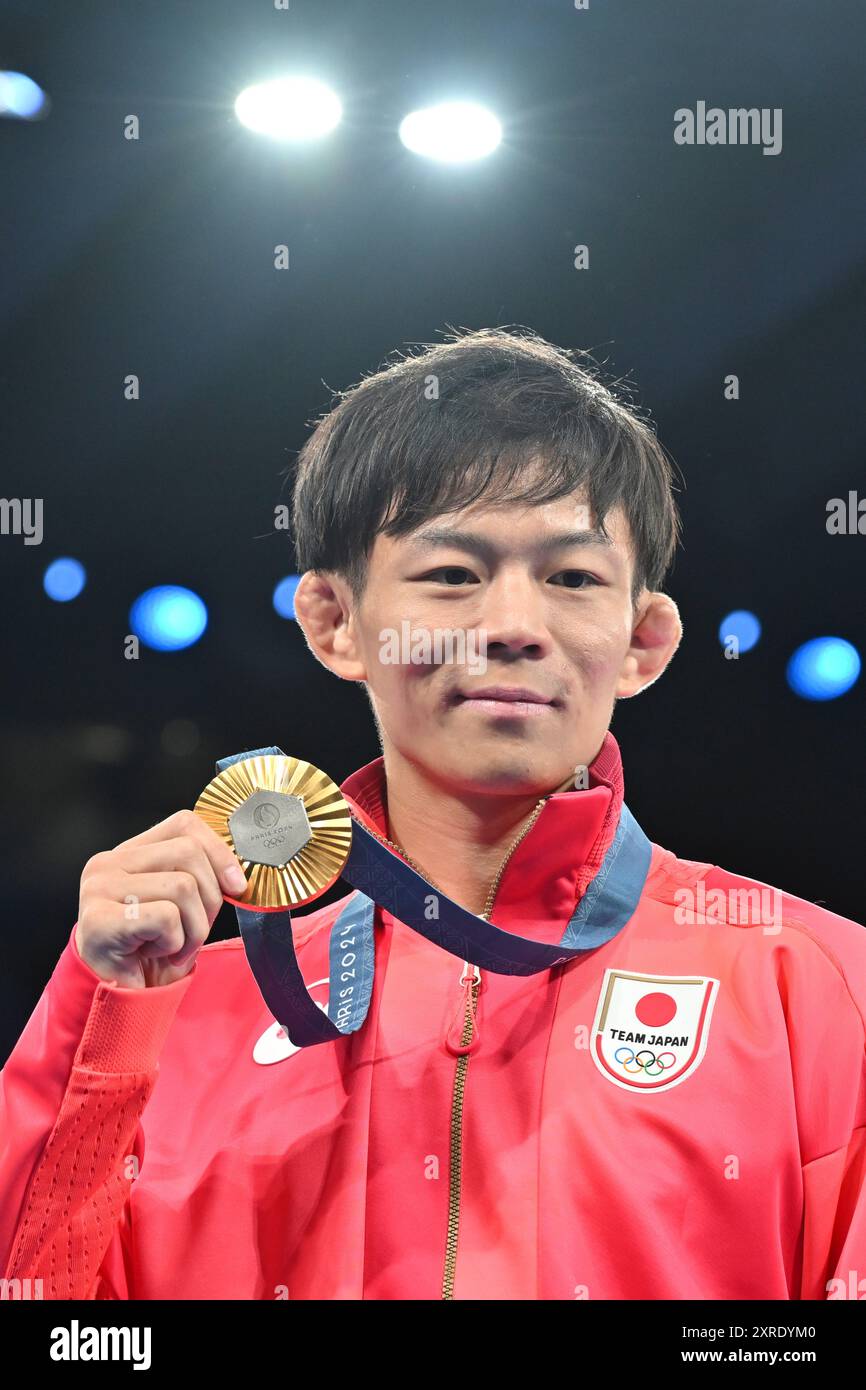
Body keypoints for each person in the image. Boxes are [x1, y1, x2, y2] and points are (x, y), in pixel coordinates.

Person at [1, 327, 864, 1300]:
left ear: (641, 641)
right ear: (334, 623)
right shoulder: (182, 1016)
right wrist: (101, 1019)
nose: (511, 625)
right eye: (450, 574)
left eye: (572, 578)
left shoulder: (816, 986)